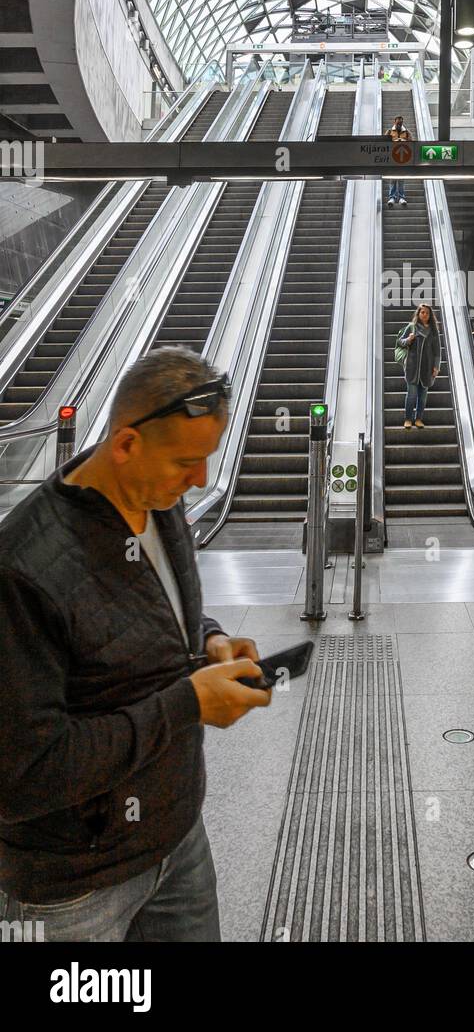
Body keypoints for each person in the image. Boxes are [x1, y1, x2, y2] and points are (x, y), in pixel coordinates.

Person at [0, 346, 271, 942]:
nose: (201, 478)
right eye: (186, 461)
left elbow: (154, 615)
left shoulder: (158, 503)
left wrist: (209, 639)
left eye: (207, 460)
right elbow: (24, 775)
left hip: (176, 836)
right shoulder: (23, 570)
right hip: (77, 883)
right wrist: (188, 704)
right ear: (125, 445)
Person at [396, 302, 440, 428]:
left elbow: (437, 351)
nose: (424, 314)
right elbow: (399, 342)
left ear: (430, 314)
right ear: (418, 313)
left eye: (427, 312)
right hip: (412, 367)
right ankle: (408, 419)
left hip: (427, 368)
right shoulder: (411, 327)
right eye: (422, 312)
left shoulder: (433, 330)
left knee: (422, 397)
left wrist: (436, 366)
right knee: (411, 395)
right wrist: (408, 340)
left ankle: (419, 419)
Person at [384, 114, 412, 206]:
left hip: (403, 159)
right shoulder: (389, 132)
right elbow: (384, 144)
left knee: (401, 179)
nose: (399, 124)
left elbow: (412, 144)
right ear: (394, 122)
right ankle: (392, 197)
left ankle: (401, 197)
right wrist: (395, 141)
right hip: (392, 158)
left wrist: (403, 141)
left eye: (401, 123)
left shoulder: (407, 132)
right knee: (392, 179)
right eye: (398, 123)